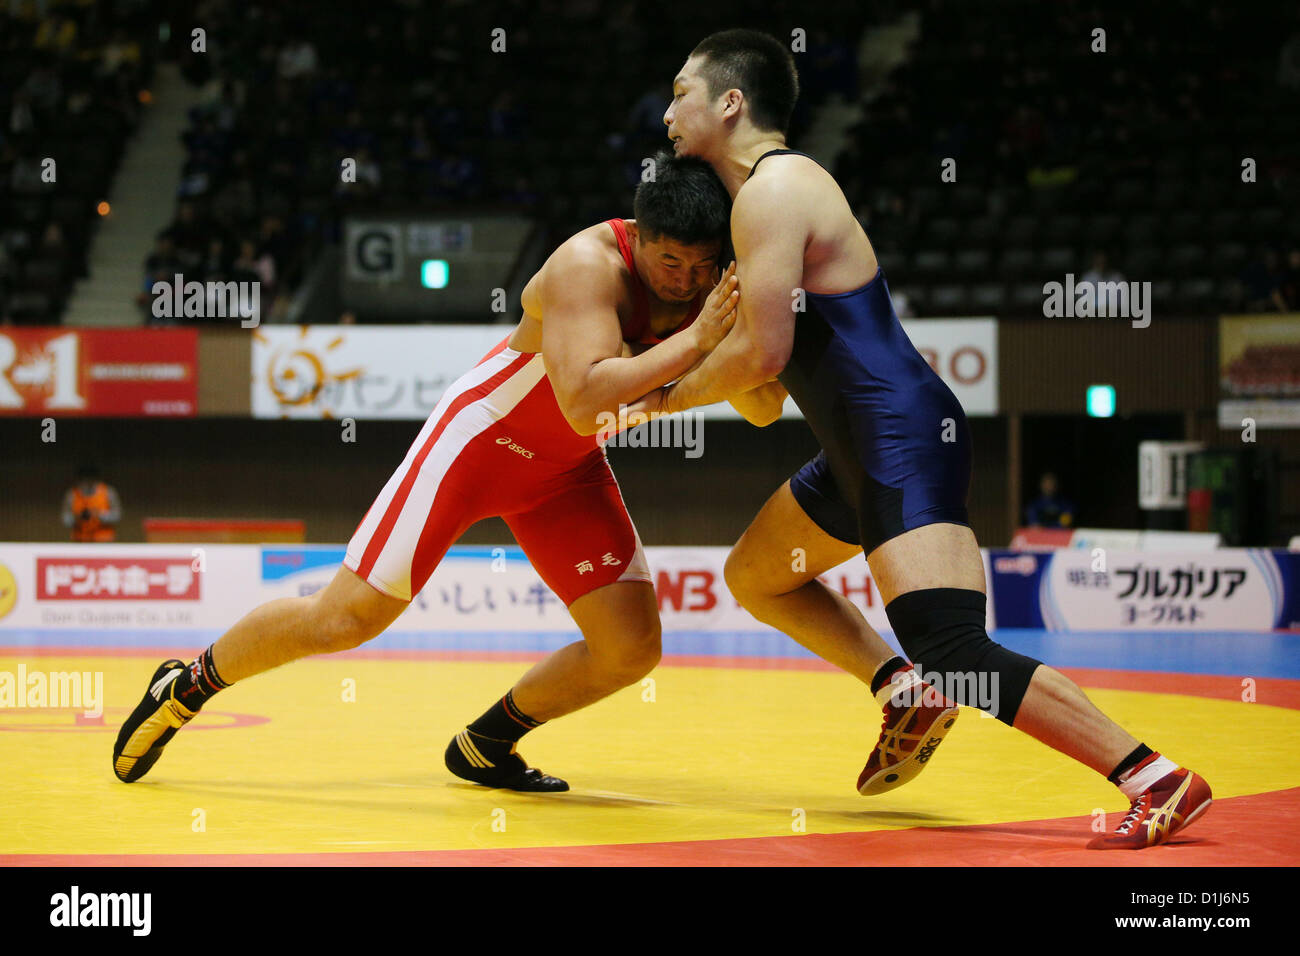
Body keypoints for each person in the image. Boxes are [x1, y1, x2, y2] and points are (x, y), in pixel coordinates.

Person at [117, 154, 945, 796]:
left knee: (630, 650)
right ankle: (188, 683)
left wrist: (743, 340)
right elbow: (586, 402)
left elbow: (762, 407)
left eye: (700, 267)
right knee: (344, 620)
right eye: (667, 263)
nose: (684, 281)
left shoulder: (712, 288)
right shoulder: (587, 266)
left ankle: (486, 741)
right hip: (480, 443)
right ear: (637, 231)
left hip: (564, 473)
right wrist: (700, 343)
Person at [645, 29, 1210, 848]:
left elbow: (759, 356)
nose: (667, 113)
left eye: (681, 92)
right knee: (758, 577)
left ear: (731, 102)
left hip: (901, 437)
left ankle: (1155, 777)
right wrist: (707, 345)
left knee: (954, 648)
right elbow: (765, 395)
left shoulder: (778, 189)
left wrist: (657, 394)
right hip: (852, 454)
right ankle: (899, 688)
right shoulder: (749, 213)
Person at [62, 464, 121, 542]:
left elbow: (117, 516)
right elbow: (65, 519)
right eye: (84, 481)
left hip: (103, 540)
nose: (87, 484)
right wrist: (78, 517)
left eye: (91, 480)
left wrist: (99, 515)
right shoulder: (72, 494)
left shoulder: (108, 492)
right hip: (80, 539)